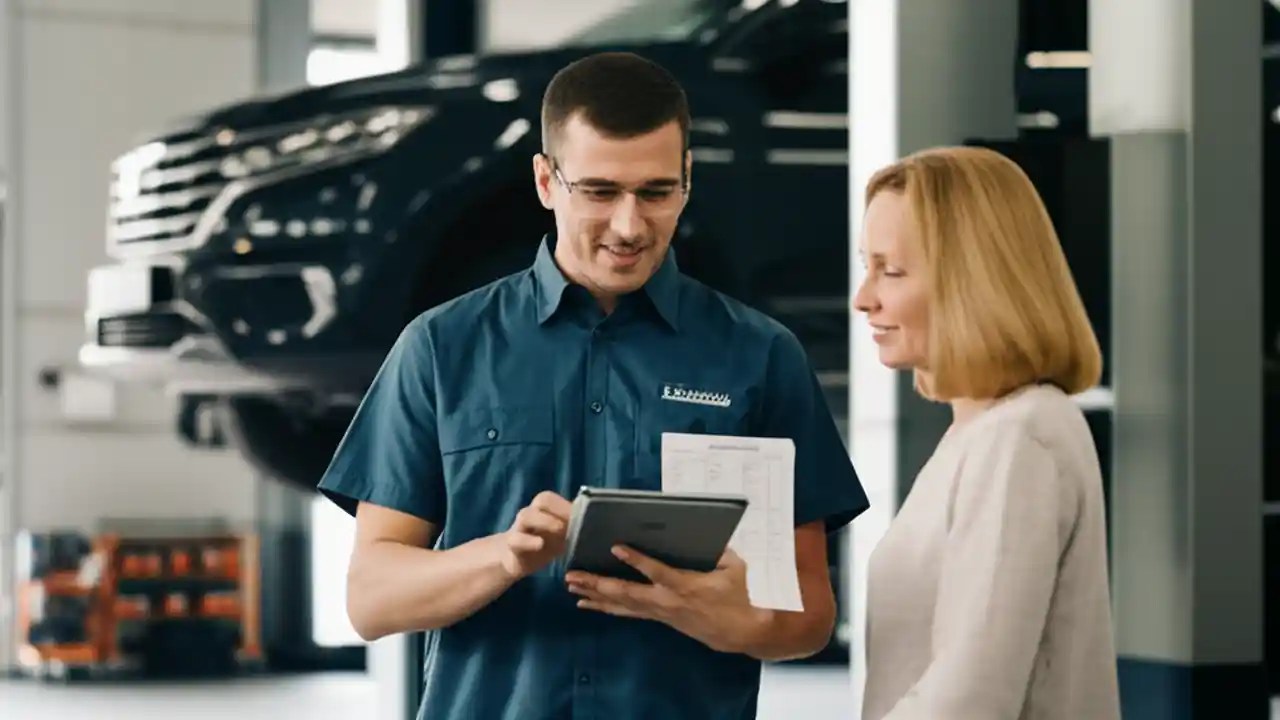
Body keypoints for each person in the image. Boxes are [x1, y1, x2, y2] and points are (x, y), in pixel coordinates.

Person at [318, 51, 868, 720]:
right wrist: (507, 556)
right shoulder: (441, 348)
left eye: (657, 191)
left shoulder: (760, 358)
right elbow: (371, 599)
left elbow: (808, 615)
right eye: (601, 192)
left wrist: (723, 617)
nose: (630, 226)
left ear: (688, 180)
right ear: (547, 181)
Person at [853, 146, 1121, 719]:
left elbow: (971, 696)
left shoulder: (1018, 439)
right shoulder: (980, 433)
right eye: (866, 266)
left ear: (971, 280)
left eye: (891, 271)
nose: (863, 298)